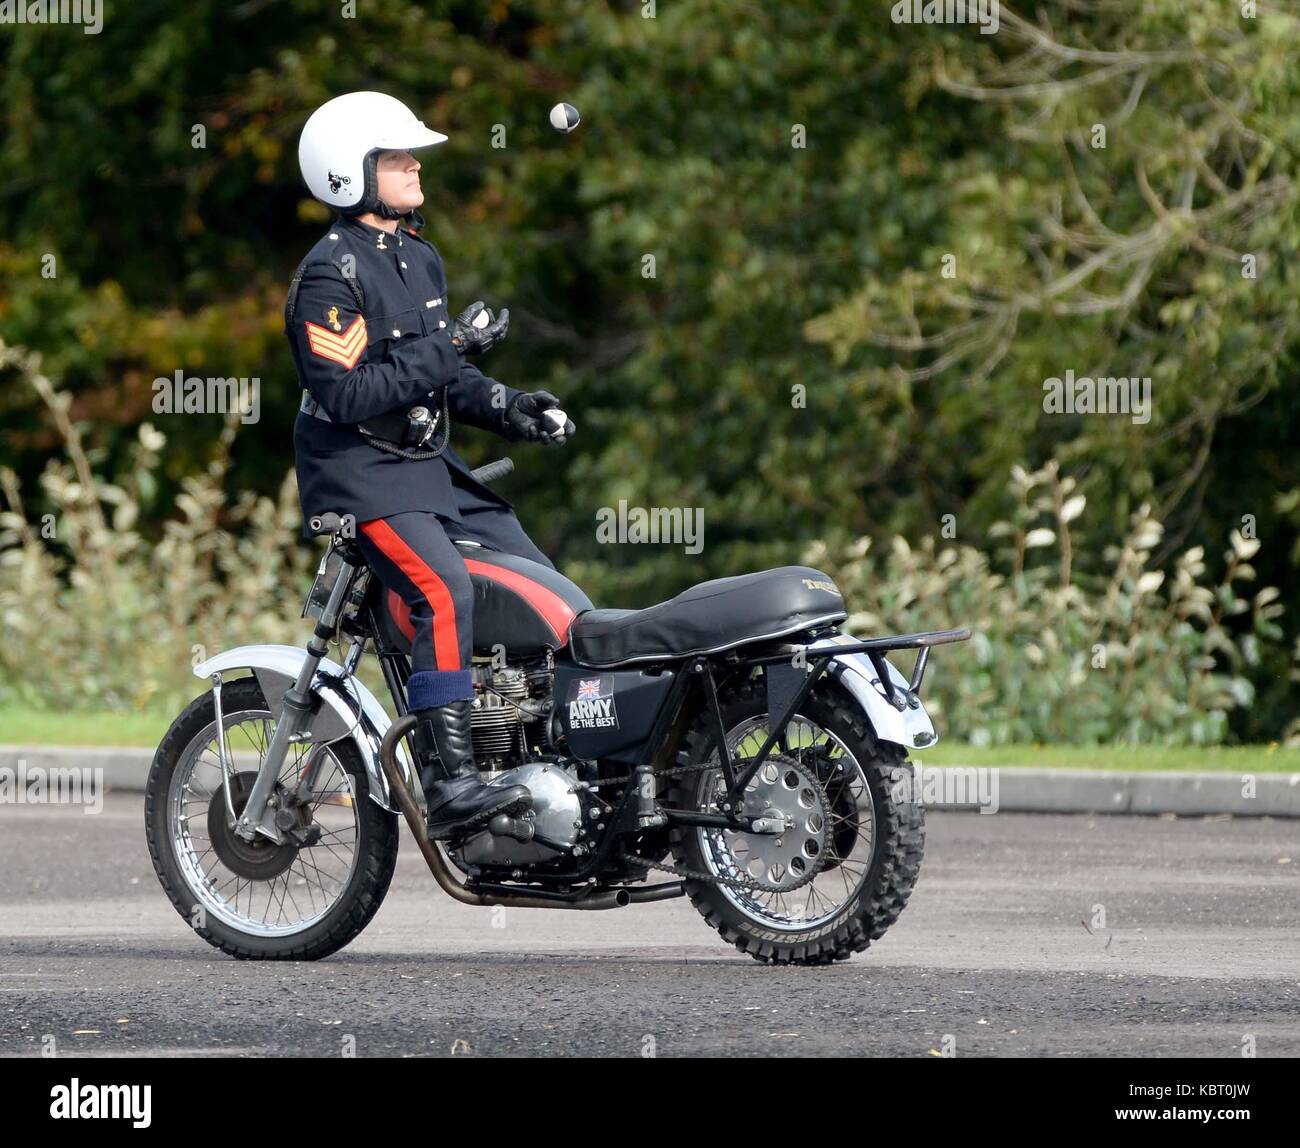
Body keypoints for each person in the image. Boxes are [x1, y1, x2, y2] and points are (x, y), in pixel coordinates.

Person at [286, 91, 576, 839]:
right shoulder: (330, 277)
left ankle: (542, 756)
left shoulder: (419, 256)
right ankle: (452, 788)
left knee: (551, 598)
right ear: (351, 175)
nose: (416, 165)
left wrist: (510, 406)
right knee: (443, 593)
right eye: (396, 156)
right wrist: (450, 349)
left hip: (427, 467)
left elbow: (441, 383)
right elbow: (349, 394)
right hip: (359, 472)